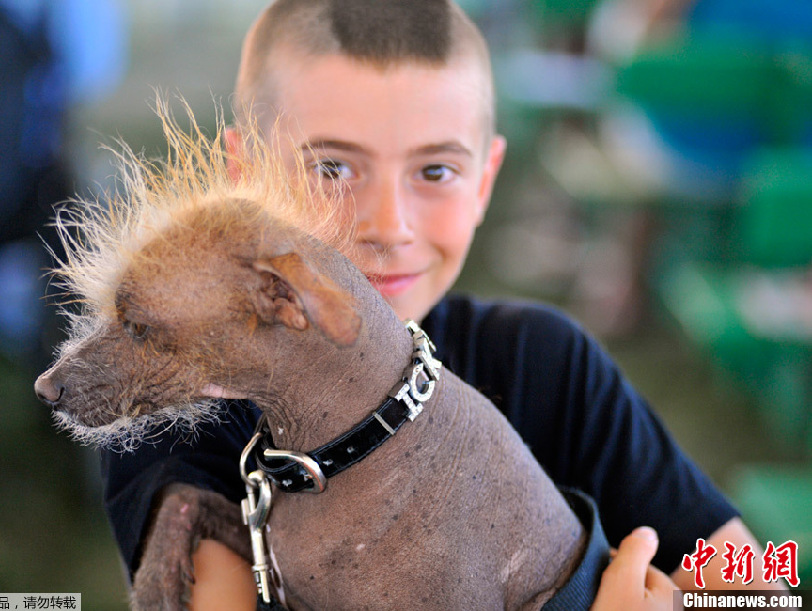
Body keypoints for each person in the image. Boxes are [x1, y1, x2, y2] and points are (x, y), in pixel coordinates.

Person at [100, 0, 783, 607]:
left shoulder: (546, 363)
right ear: (246, 178)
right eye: (331, 167)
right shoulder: (186, 407)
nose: (387, 224)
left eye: (436, 170)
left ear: (484, 181)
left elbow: (757, 593)